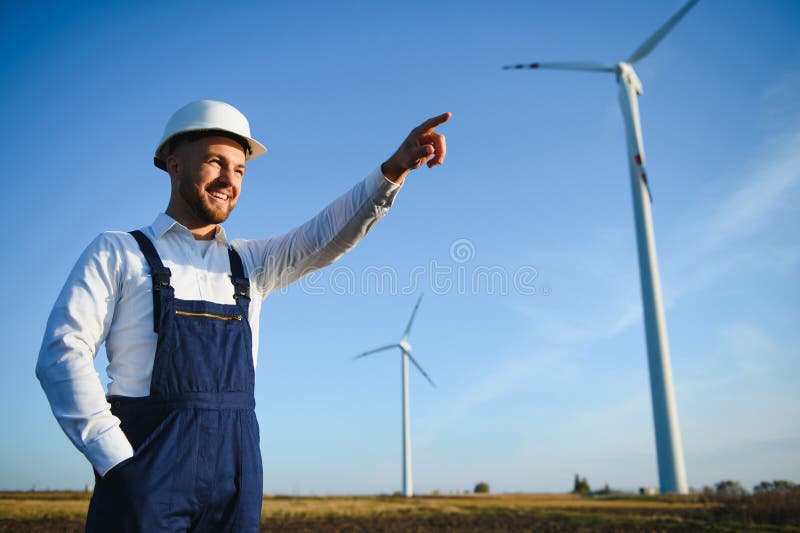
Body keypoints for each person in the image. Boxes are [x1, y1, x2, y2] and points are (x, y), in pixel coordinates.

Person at [36, 100, 450, 531]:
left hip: (236, 475)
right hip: (145, 474)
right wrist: (117, 462)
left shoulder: (250, 264)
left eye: (239, 170)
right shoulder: (119, 251)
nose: (228, 180)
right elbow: (61, 354)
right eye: (215, 162)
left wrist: (394, 170)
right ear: (174, 166)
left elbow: (325, 234)